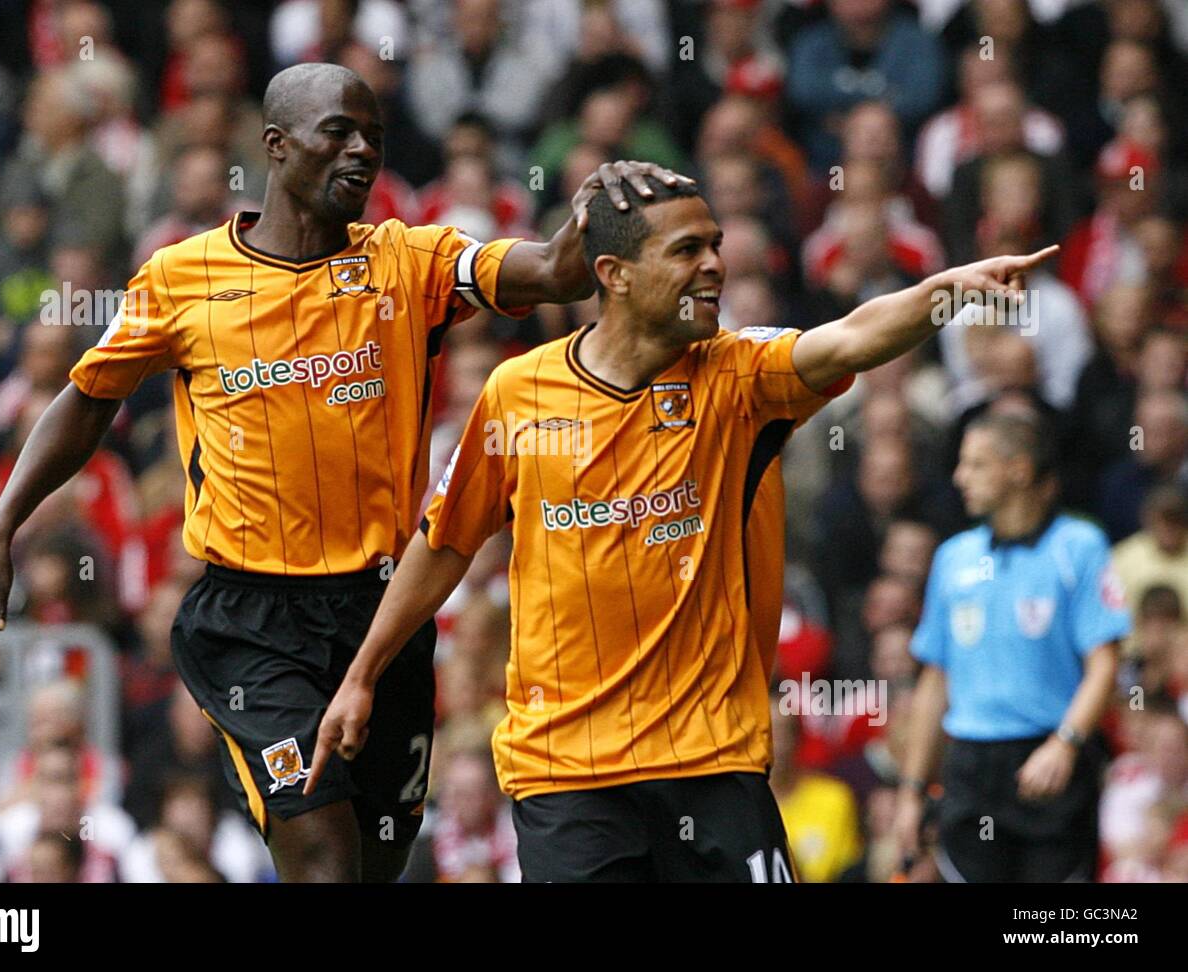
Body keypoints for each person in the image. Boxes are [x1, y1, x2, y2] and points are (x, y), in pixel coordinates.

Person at [0, 61, 681, 884]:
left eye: (373, 135)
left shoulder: (414, 260)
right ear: (276, 145)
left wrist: (598, 200)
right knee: (323, 860)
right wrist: (0, 526)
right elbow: (87, 400)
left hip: (382, 616)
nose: (362, 150)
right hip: (252, 623)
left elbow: (554, 271)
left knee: (374, 866)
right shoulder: (182, 278)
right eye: (338, 132)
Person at [306, 175, 1059, 881]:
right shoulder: (518, 393)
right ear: (615, 273)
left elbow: (851, 337)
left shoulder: (739, 377)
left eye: (716, 246)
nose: (713, 268)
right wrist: (362, 676)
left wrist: (945, 293)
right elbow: (445, 543)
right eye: (687, 250)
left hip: (712, 765)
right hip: (568, 778)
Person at [894, 413, 1131, 882]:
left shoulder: (1079, 546)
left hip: (1048, 758)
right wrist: (912, 789)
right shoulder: (953, 557)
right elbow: (936, 679)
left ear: (1018, 470)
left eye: (976, 465)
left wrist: (1065, 744)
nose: (960, 478)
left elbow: (1105, 663)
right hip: (970, 766)